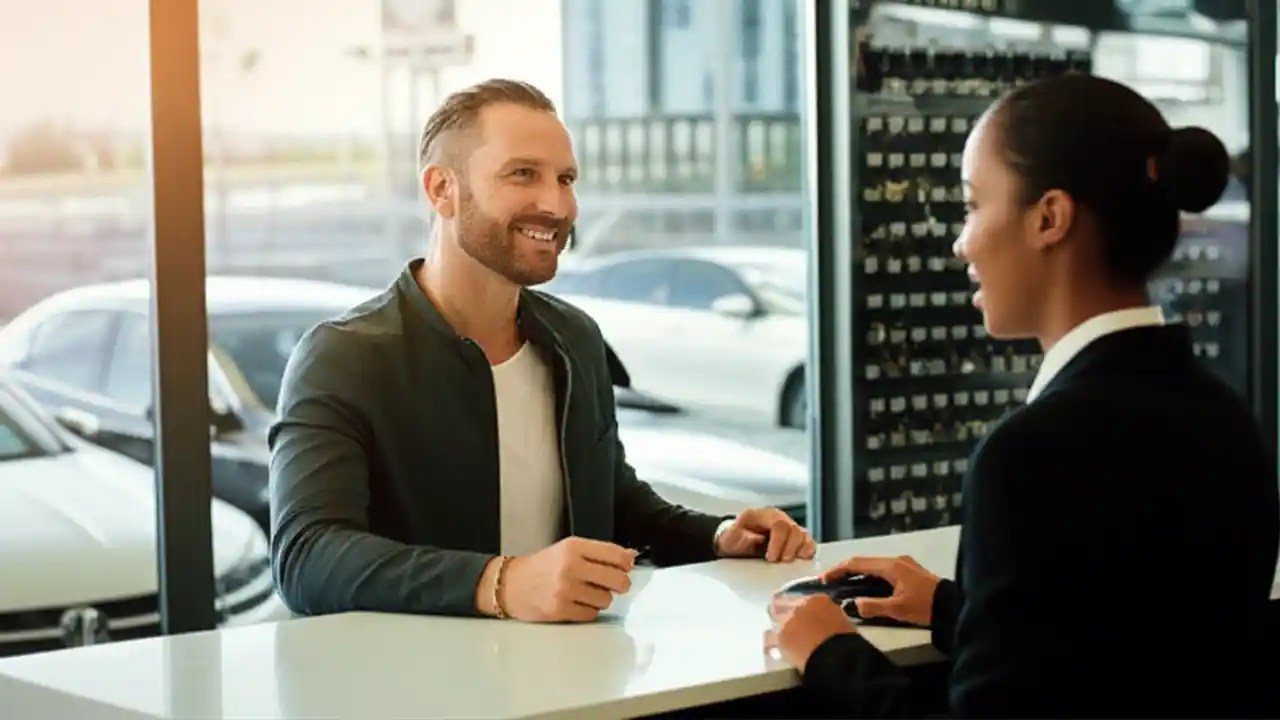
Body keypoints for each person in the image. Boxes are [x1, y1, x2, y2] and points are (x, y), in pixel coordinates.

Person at [767, 73, 1279, 717]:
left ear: (1049, 218)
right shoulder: (1227, 420)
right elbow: (1135, 650)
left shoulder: (1031, 455)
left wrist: (830, 654)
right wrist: (958, 607)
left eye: (973, 204)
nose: (962, 242)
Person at [269, 78, 815, 623]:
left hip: (577, 682)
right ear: (441, 190)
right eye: (522, 174)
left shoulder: (574, 338)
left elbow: (612, 501)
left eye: (566, 179)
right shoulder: (343, 356)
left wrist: (717, 535)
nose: (556, 204)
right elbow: (307, 555)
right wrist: (501, 583)